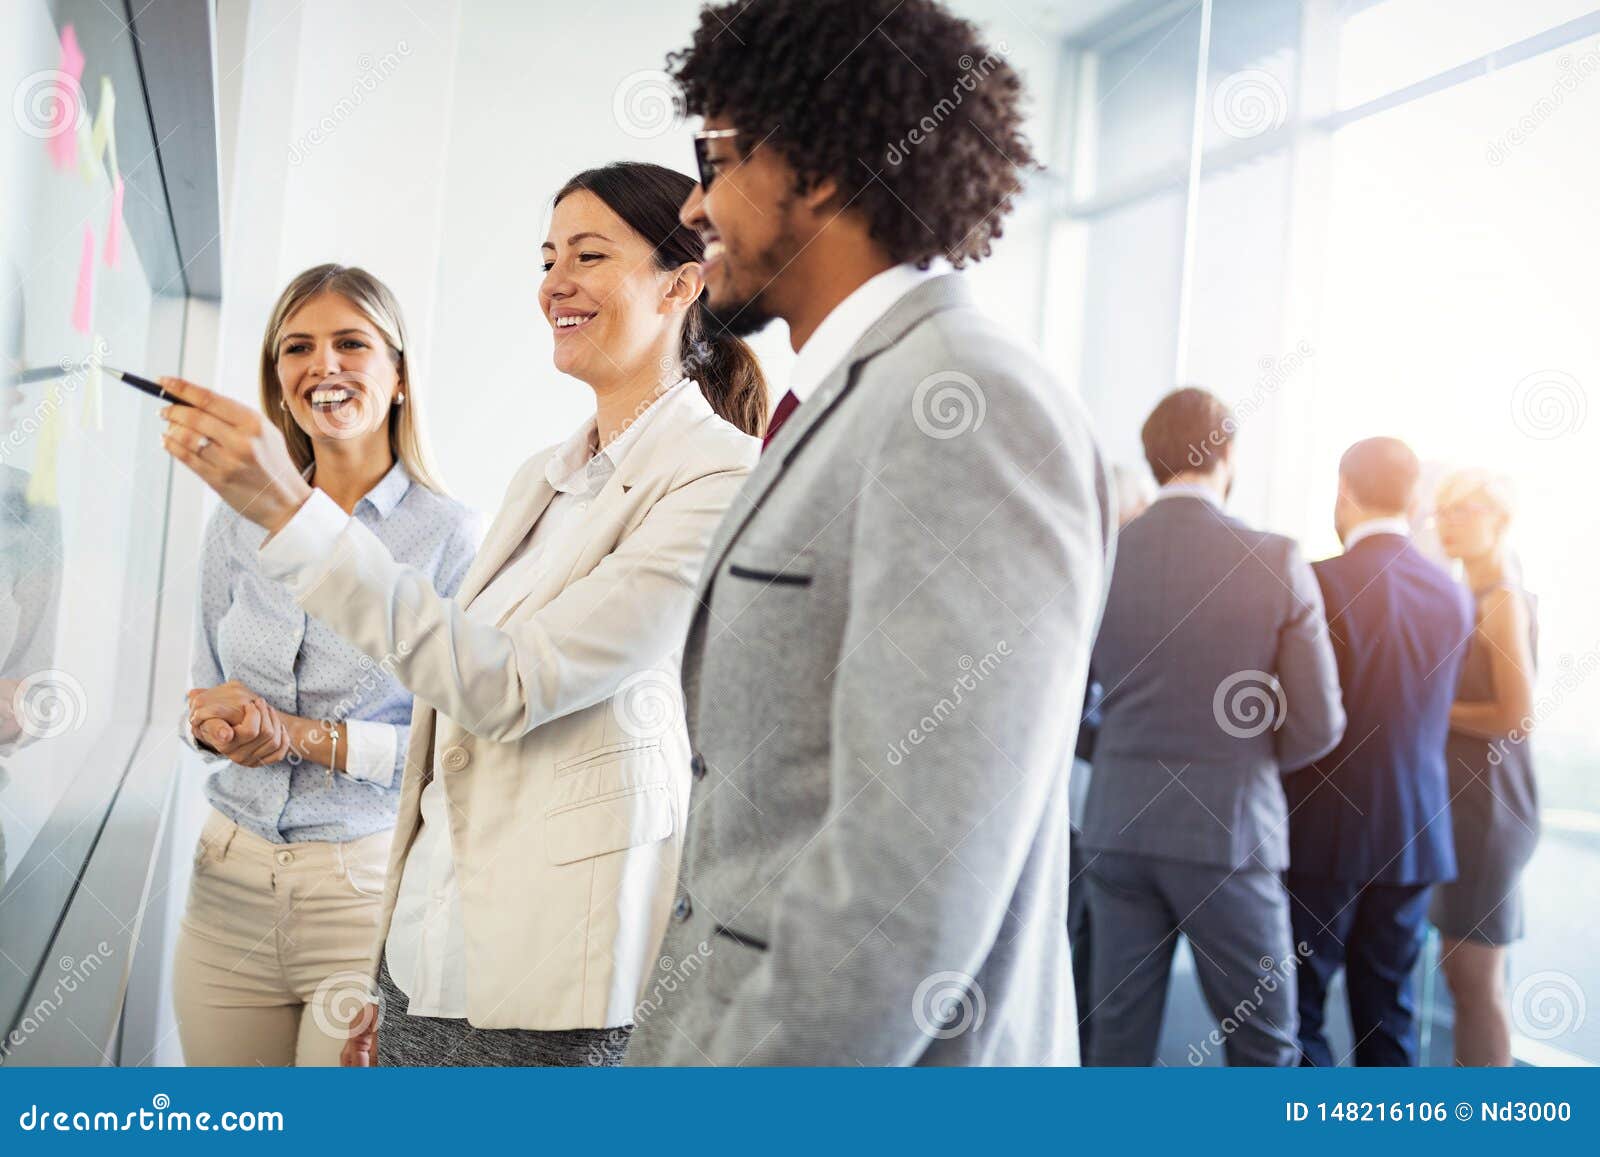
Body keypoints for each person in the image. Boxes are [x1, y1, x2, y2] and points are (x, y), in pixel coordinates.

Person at [162, 162, 765, 1066]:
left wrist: (293, 515)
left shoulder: (719, 477)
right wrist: (386, 966)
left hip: (550, 981)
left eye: (589, 255)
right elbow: (439, 752)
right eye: (548, 256)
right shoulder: (544, 477)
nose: (554, 281)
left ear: (683, 283)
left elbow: (511, 686)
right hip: (427, 953)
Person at [627, 0, 1112, 1067]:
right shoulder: (862, 397)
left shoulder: (965, 407)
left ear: (825, 167)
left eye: (715, 159)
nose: (698, 205)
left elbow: (903, 891)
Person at [170, 265, 478, 1066]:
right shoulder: (235, 524)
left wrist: (302, 736)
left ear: (399, 374)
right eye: (298, 347)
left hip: (362, 897)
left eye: (352, 343)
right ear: (279, 380)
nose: (324, 366)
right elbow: (201, 685)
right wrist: (212, 724)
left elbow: (452, 749)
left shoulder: (453, 538)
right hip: (225, 884)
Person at [1081, 387, 1344, 1067]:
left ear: (1153, 457)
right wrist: (1243, 757)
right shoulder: (1277, 559)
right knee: (1264, 1047)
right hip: (1229, 832)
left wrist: (1117, 748)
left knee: (1115, 1045)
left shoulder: (1099, 555)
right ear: (1227, 454)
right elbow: (1319, 721)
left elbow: (1065, 702)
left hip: (1118, 824)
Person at [1285, 437, 1474, 1067]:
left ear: (1343, 491)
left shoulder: (1318, 582)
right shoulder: (1453, 596)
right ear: (1414, 496)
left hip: (1321, 832)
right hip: (1414, 834)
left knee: (1298, 1011)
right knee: (1389, 1015)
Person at [1429, 468, 1539, 1066]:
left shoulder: (1501, 602)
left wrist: (1428, 709)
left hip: (1491, 810)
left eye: (1465, 511)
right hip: (1465, 808)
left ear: (1500, 520)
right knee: (1461, 975)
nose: (1449, 522)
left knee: (1475, 980)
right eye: (1443, 511)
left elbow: (1515, 715)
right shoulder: (1466, 597)